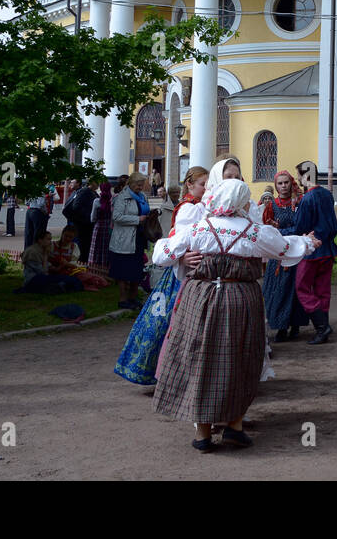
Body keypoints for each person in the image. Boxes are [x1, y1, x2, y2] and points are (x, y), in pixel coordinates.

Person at [152, 179, 317, 452]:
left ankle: (203, 434)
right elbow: (284, 248)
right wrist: (307, 242)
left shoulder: (198, 228)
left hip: (199, 298)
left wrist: (183, 257)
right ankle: (234, 427)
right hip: (239, 298)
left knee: (199, 357)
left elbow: (162, 253)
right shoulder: (253, 232)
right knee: (241, 358)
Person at [115, 166, 207, 385]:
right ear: (190, 185)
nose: (206, 188)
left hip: (196, 274)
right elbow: (174, 241)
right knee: (166, 324)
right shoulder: (188, 208)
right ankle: (163, 373)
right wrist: (180, 259)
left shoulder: (202, 206)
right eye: (203, 184)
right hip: (179, 276)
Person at [291, 161, 337, 345]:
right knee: (322, 290)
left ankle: (321, 327)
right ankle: (323, 326)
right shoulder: (327, 194)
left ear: (306, 176)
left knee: (302, 288)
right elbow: (333, 225)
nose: (298, 179)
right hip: (327, 249)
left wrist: (282, 231)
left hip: (311, 250)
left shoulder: (307, 198)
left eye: (299, 175)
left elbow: (300, 227)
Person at [262, 169, 309, 342]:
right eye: (280, 183)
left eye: (286, 182)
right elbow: (266, 228)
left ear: (291, 183)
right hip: (279, 253)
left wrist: (280, 231)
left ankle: (295, 325)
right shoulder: (272, 205)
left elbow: (300, 227)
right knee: (278, 289)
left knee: (295, 288)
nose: (283, 186)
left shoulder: (300, 202)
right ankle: (280, 326)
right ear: (276, 185)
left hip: (296, 251)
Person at [109, 172, 151, 309]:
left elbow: (145, 211)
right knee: (123, 270)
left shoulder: (143, 196)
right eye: (138, 184)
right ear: (131, 184)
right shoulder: (122, 197)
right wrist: (137, 220)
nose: (140, 187)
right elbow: (116, 217)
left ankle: (133, 298)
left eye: (142, 184)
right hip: (124, 240)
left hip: (139, 239)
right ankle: (123, 300)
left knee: (136, 270)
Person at [18, 231, 82, 293]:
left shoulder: (42, 249)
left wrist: (63, 264)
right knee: (67, 281)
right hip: (33, 280)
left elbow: (54, 269)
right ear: (40, 240)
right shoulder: (32, 252)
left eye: (50, 239)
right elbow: (43, 272)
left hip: (42, 278)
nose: (50, 242)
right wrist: (46, 255)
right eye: (48, 239)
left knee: (73, 280)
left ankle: (61, 287)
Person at [63, 178, 98, 264]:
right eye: (97, 183)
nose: (98, 185)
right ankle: (80, 262)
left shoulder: (91, 192)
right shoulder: (85, 191)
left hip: (85, 224)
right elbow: (76, 207)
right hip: (82, 225)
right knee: (82, 245)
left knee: (84, 245)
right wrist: (88, 217)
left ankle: (82, 262)